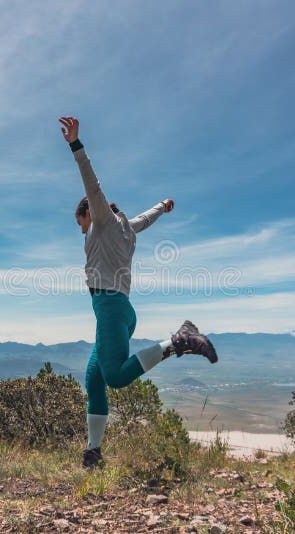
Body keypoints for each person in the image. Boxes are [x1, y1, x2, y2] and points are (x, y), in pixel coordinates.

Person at [58, 116, 218, 468]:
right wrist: (163, 205)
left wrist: (76, 145)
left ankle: (180, 340)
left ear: (89, 213)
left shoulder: (101, 220)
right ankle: (93, 452)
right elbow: (146, 218)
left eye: (79, 223)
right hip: (118, 310)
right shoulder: (127, 228)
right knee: (94, 378)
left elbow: (92, 185)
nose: (80, 230)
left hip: (112, 307)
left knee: (113, 377)